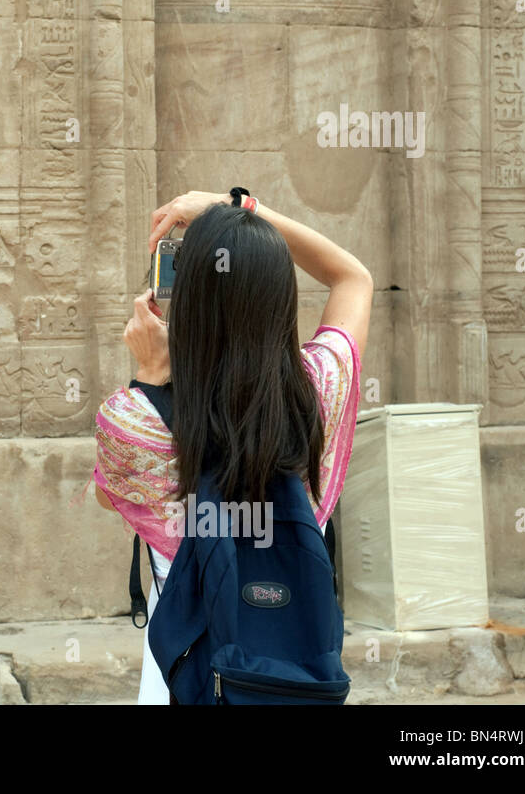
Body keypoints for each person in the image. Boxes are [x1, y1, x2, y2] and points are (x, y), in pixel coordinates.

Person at [93, 190, 372, 704]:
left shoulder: (135, 422)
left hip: (187, 678)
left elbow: (110, 496)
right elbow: (352, 277)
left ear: (187, 299)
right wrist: (243, 207)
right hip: (293, 680)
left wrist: (149, 376)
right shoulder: (322, 386)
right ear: (280, 297)